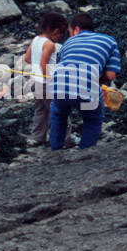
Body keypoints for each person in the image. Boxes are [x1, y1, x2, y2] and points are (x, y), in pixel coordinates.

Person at [49, 13, 121, 150]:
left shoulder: (68, 42)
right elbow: (111, 75)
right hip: (87, 89)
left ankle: (55, 151)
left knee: (58, 113)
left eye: (70, 32)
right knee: (92, 119)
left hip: (59, 86)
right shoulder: (110, 41)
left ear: (76, 30)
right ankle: (86, 152)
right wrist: (97, 80)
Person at [25, 12, 68, 146]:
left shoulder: (36, 39)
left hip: (35, 82)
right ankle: (66, 139)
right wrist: (50, 81)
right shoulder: (49, 44)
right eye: (61, 33)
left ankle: (38, 137)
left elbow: (27, 58)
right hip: (46, 84)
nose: (61, 37)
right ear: (56, 31)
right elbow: (44, 64)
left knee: (41, 111)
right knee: (59, 110)